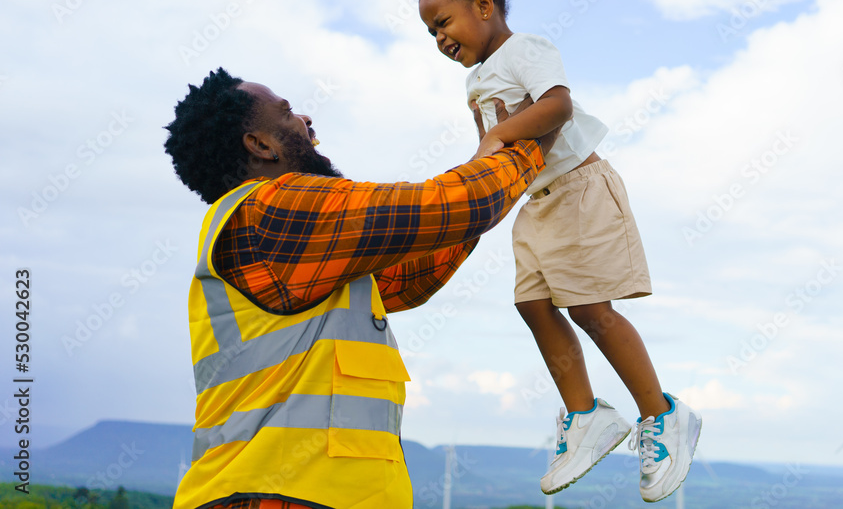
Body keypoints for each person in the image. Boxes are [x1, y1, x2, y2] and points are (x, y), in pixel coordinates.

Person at [163, 68, 556, 509]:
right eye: (288, 112)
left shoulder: (293, 245)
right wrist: (528, 143)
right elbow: (453, 207)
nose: (306, 119)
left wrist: (489, 162)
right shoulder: (268, 211)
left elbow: (412, 274)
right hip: (272, 493)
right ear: (260, 145)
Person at [415, 0, 702, 502]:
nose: (441, 39)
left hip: (578, 189)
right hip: (536, 203)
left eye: (445, 22)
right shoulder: (474, 81)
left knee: (591, 310)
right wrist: (477, 178)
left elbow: (557, 107)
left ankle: (663, 414)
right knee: (533, 305)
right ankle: (588, 415)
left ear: (484, 4)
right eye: (431, 32)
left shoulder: (528, 50)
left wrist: (495, 141)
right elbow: (491, 141)